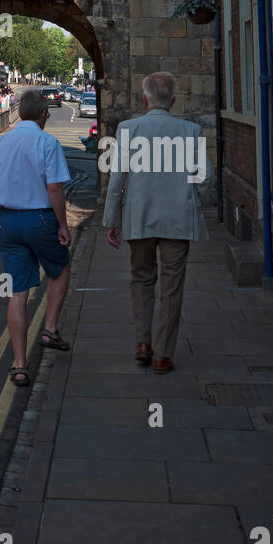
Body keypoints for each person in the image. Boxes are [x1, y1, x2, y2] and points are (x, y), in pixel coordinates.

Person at [103, 71, 214, 375]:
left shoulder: (128, 129)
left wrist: (111, 221)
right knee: (172, 286)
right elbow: (204, 178)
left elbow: (116, 181)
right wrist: (192, 199)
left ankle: (143, 343)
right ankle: (163, 354)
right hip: (179, 220)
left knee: (141, 280)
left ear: (144, 98)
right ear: (174, 101)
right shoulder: (190, 131)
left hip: (139, 218)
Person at [0, 87, 72, 388]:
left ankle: (20, 366)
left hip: (7, 221)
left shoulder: (1, 142)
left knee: (17, 292)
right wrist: (63, 225)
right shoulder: (48, 142)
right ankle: (49, 327)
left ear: (19, 112)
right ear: (44, 114)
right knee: (59, 270)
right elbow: (55, 189)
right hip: (40, 219)